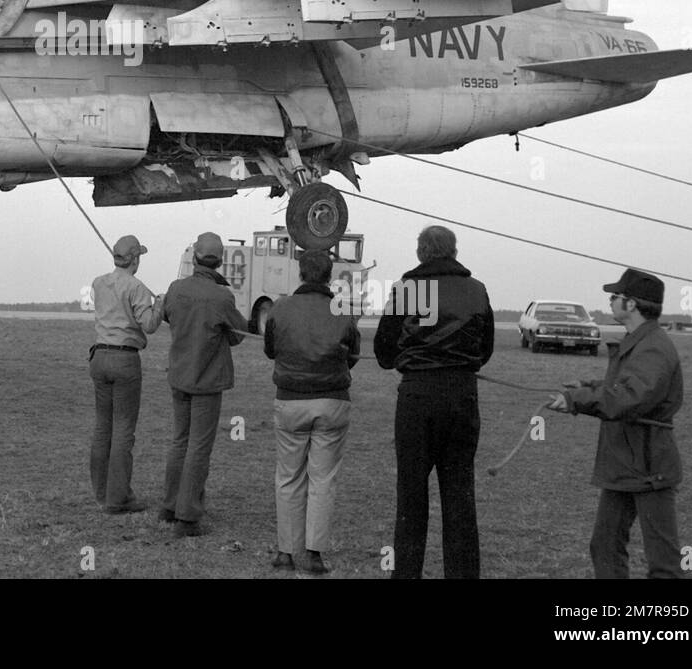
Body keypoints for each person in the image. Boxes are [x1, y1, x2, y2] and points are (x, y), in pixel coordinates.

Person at [548, 268, 685, 579]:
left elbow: (630, 397)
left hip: (650, 467)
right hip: (626, 464)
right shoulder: (639, 341)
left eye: (615, 296)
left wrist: (577, 399)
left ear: (632, 304)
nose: (610, 301)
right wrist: (584, 385)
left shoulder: (653, 347)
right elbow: (624, 385)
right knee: (605, 546)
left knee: (663, 564)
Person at [374, 224, 493, 578]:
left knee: (411, 495)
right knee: (459, 494)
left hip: (417, 397)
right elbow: (484, 349)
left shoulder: (409, 289)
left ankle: (407, 573)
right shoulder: (475, 290)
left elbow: (384, 350)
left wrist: (413, 359)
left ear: (420, 252)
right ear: (454, 251)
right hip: (462, 396)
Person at [263, 249, 361, 574]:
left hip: (290, 400)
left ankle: (286, 553)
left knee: (288, 477)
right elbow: (353, 355)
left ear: (301, 273)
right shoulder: (342, 311)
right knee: (322, 479)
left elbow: (270, 349)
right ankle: (315, 554)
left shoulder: (281, 308)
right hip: (332, 400)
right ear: (329, 276)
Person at [157, 231, 248, 537]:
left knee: (179, 440)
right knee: (198, 446)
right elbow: (238, 335)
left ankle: (170, 506)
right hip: (207, 381)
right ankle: (187, 517)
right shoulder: (222, 296)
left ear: (194, 256)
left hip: (179, 377)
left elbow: (169, 316)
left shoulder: (175, 288)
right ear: (220, 260)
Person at [88, 234, 165, 513]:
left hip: (99, 357)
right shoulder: (136, 287)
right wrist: (160, 305)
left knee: (102, 428)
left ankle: (100, 493)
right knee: (122, 431)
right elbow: (150, 325)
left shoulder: (99, 283)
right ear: (134, 259)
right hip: (124, 361)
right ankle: (118, 498)